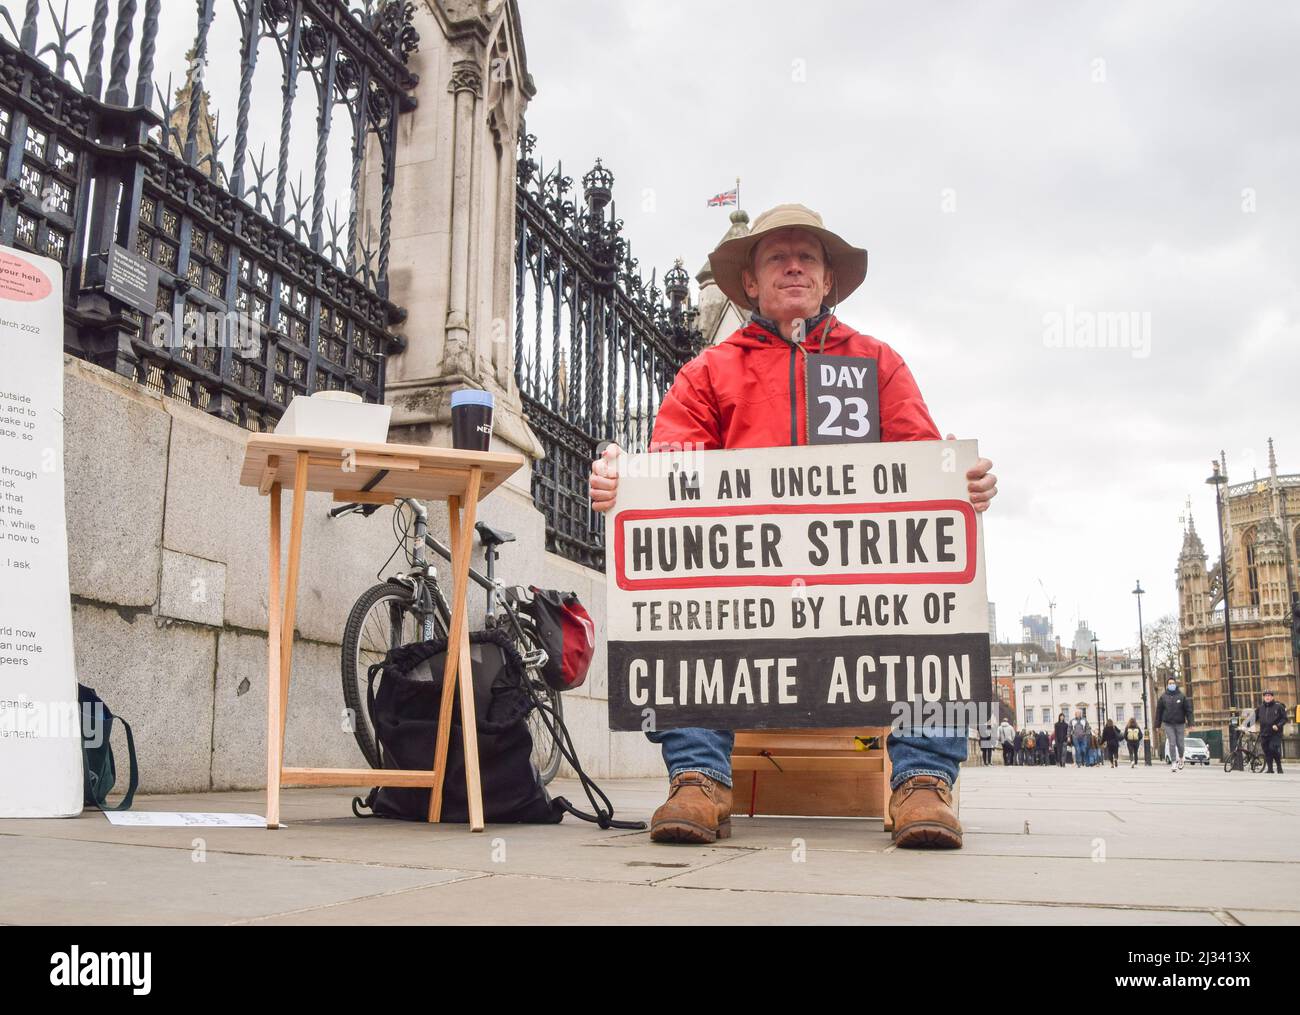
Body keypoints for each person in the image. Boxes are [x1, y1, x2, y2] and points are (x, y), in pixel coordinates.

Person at [588, 204, 999, 849]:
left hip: (859, 590)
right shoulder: (707, 372)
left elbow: (923, 462)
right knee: (676, 604)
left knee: (939, 608)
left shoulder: (878, 363)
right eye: (777, 257)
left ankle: (923, 780)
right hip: (743, 591)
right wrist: (623, 480)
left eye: (807, 256)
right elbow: (668, 471)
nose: (794, 267)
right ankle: (698, 775)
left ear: (829, 279)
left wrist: (961, 483)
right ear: (749, 282)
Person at [1154, 676, 1192, 772]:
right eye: (1169, 683)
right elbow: (1159, 711)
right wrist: (1157, 726)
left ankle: (1181, 757)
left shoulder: (1181, 696)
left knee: (1180, 744)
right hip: (1168, 724)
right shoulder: (1163, 697)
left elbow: (1188, 710)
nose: (1171, 685)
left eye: (1173, 683)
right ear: (1167, 685)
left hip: (1180, 723)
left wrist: (1190, 723)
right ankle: (1174, 762)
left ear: (1175, 684)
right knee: (1172, 743)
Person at [1256, 690, 1287, 774]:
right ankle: (1270, 769)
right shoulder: (1260, 708)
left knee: (1273, 749)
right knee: (1267, 751)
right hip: (1264, 733)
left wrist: (1278, 725)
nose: (1267, 697)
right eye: (1266, 696)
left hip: (1275, 734)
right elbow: (1253, 718)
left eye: (1269, 695)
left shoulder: (1278, 707)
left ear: (1272, 697)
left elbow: (1284, 718)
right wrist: (1244, 726)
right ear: (1264, 697)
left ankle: (1279, 767)